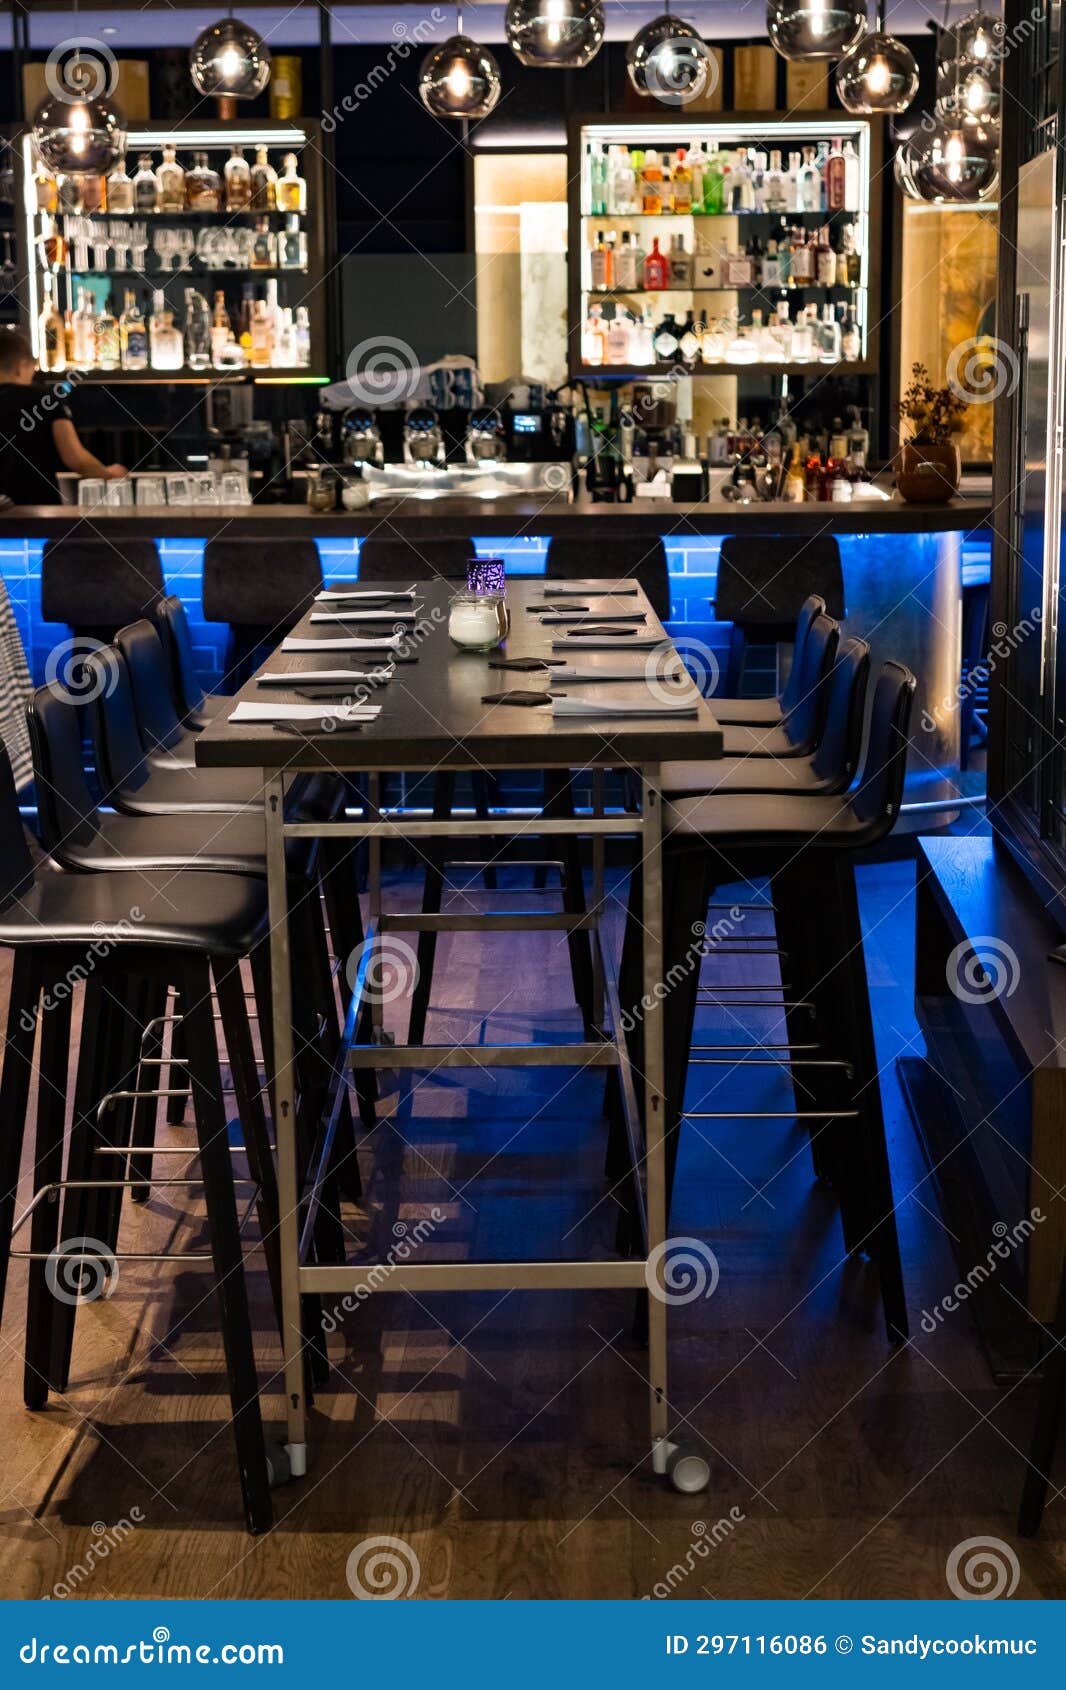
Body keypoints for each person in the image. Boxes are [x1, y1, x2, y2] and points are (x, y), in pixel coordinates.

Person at [0, 329, 128, 505]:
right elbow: (76, 459)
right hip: (35, 512)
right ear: (21, 366)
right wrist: (109, 474)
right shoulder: (43, 399)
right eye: (32, 367)